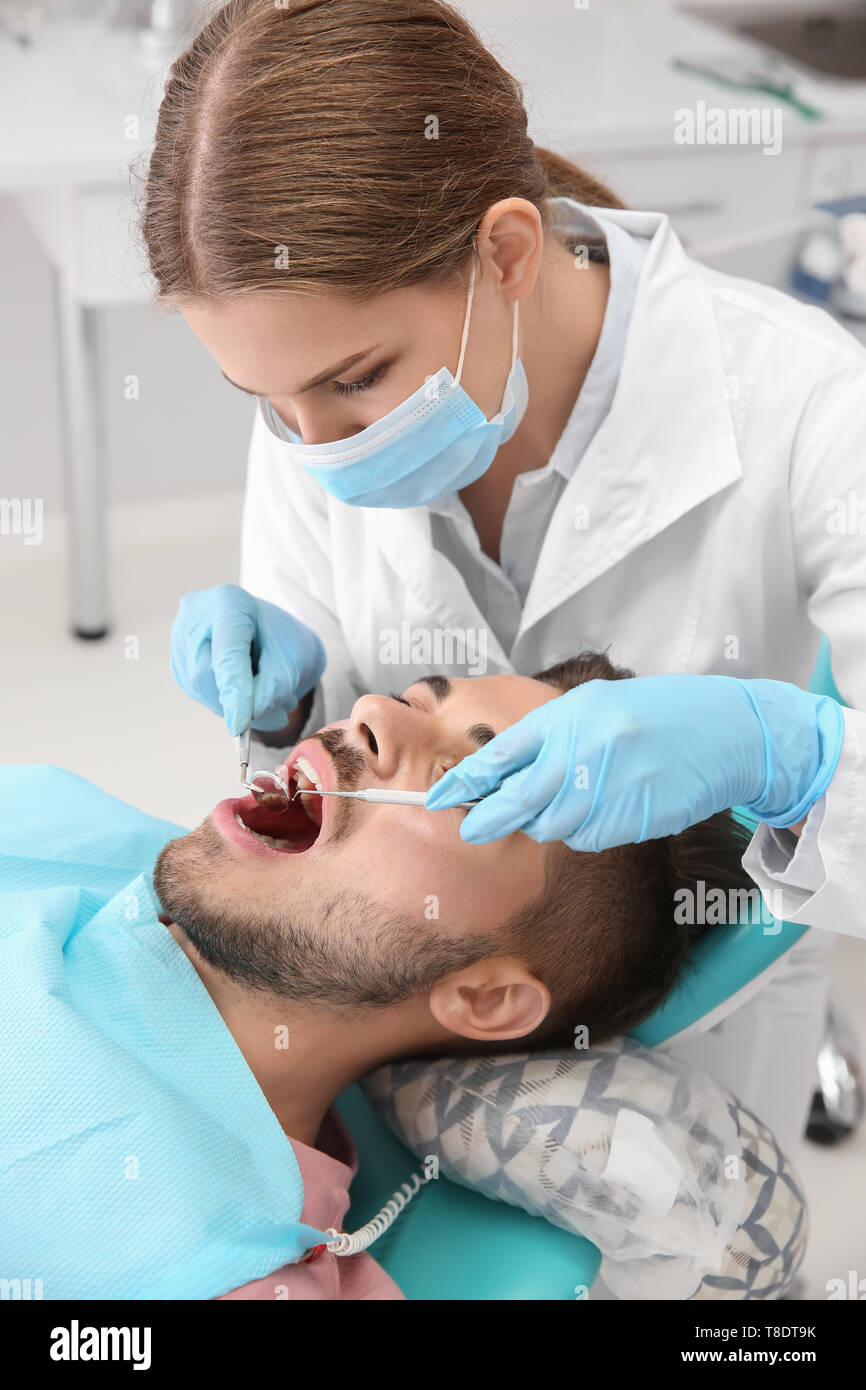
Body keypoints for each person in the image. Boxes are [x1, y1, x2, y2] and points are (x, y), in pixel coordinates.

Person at [141, 0, 866, 1147]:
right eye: (266, 404)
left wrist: (791, 758)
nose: (316, 445)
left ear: (507, 252)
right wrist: (284, 708)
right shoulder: (310, 398)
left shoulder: (814, 414)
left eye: (357, 379)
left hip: (702, 1033)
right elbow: (330, 789)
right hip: (400, 1030)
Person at [1, 656, 766, 1300]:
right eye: (411, 700)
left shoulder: (216, 1266)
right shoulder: (57, 817)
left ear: (485, 997)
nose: (370, 712)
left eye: (465, 779)